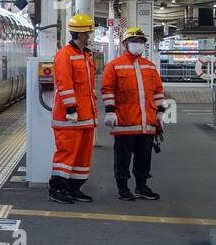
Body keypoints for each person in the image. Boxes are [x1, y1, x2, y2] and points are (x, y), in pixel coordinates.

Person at [100, 27, 165, 200]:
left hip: (147, 123)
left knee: (144, 157)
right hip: (124, 122)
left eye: (141, 42)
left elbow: (158, 91)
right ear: (125, 44)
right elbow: (107, 90)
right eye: (134, 41)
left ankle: (141, 187)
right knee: (122, 158)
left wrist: (160, 112)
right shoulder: (114, 66)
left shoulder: (150, 67)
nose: (138, 45)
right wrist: (110, 112)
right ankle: (123, 188)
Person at [49, 13, 99, 203]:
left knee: (82, 155)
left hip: (86, 116)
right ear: (80, 34)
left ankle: (73, 188)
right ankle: (57, 190)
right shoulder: (65, 55)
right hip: (68, 116)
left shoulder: (86, 55)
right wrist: (71, 109)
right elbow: (64, 84)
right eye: (87, 32)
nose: (89, 36)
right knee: (67, 153)